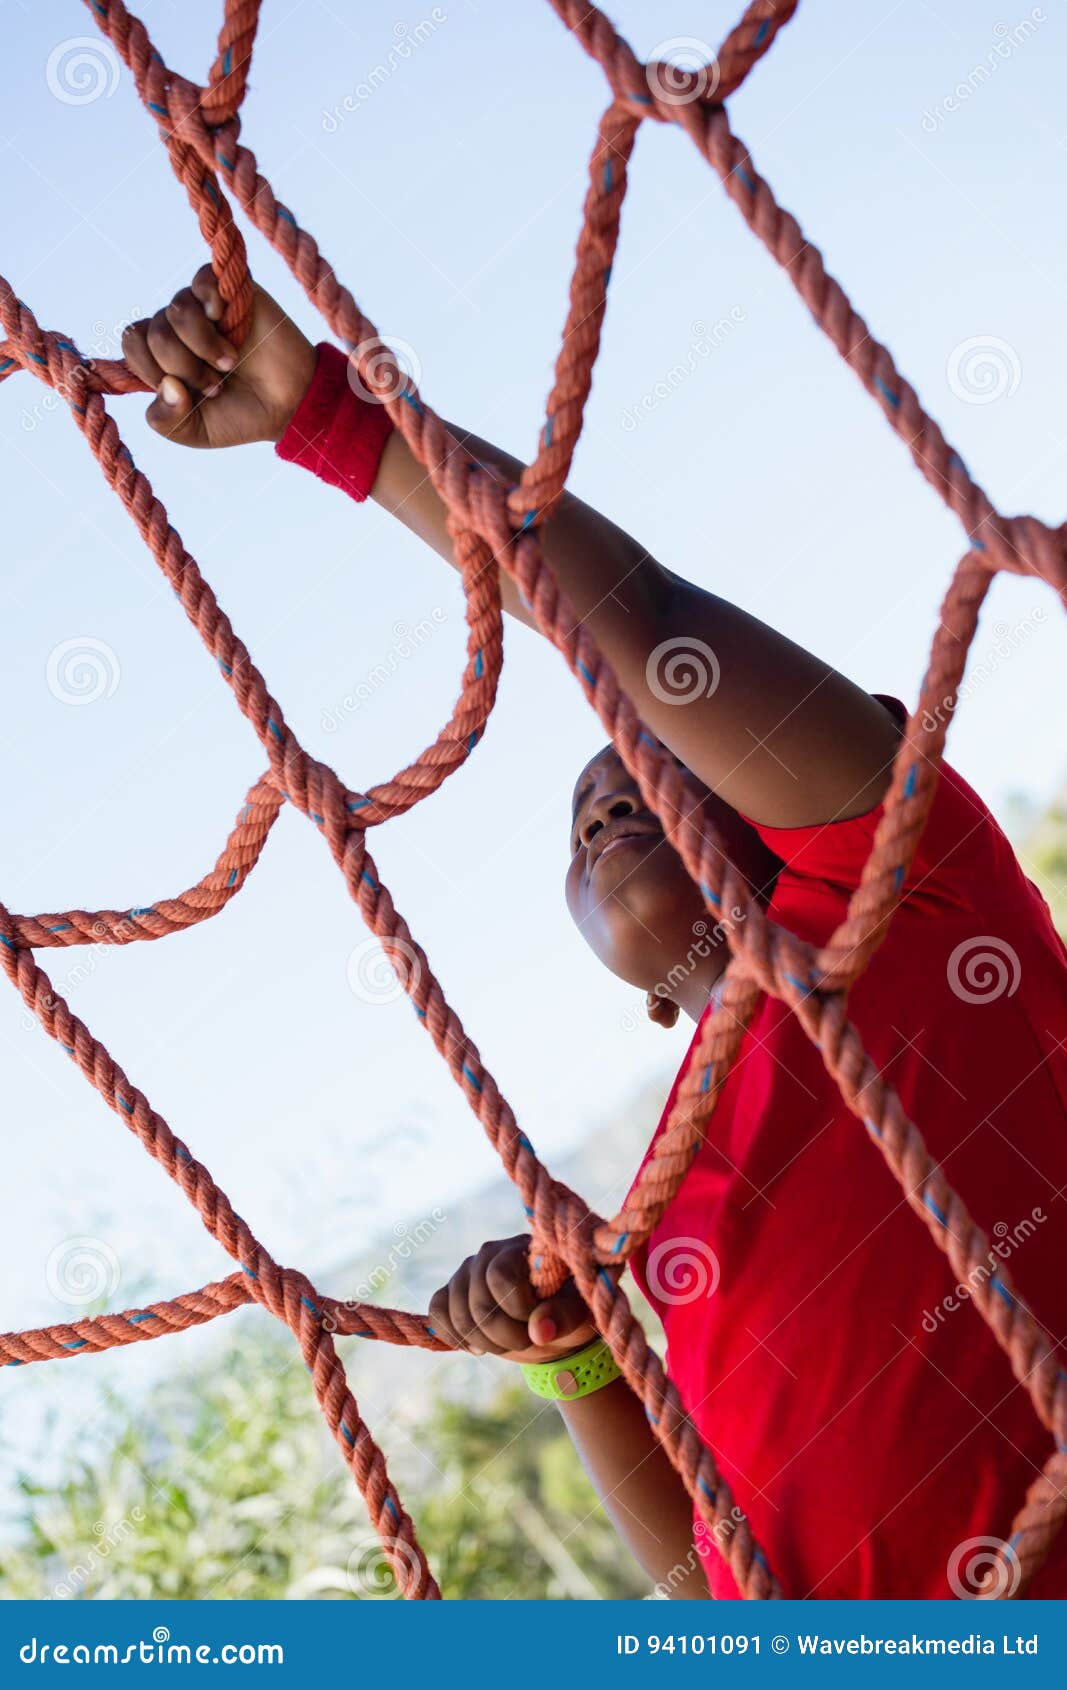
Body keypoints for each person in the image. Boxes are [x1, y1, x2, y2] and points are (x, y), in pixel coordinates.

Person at [122, 270, 1067, 1600]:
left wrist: (327, 417)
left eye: (644, 761)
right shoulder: (660, 1217)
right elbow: (707, 1587)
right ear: (631, 992)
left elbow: (642, 624)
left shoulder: (908, 892)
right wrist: (575, 1359)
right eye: (583, 822)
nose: (615, 792)